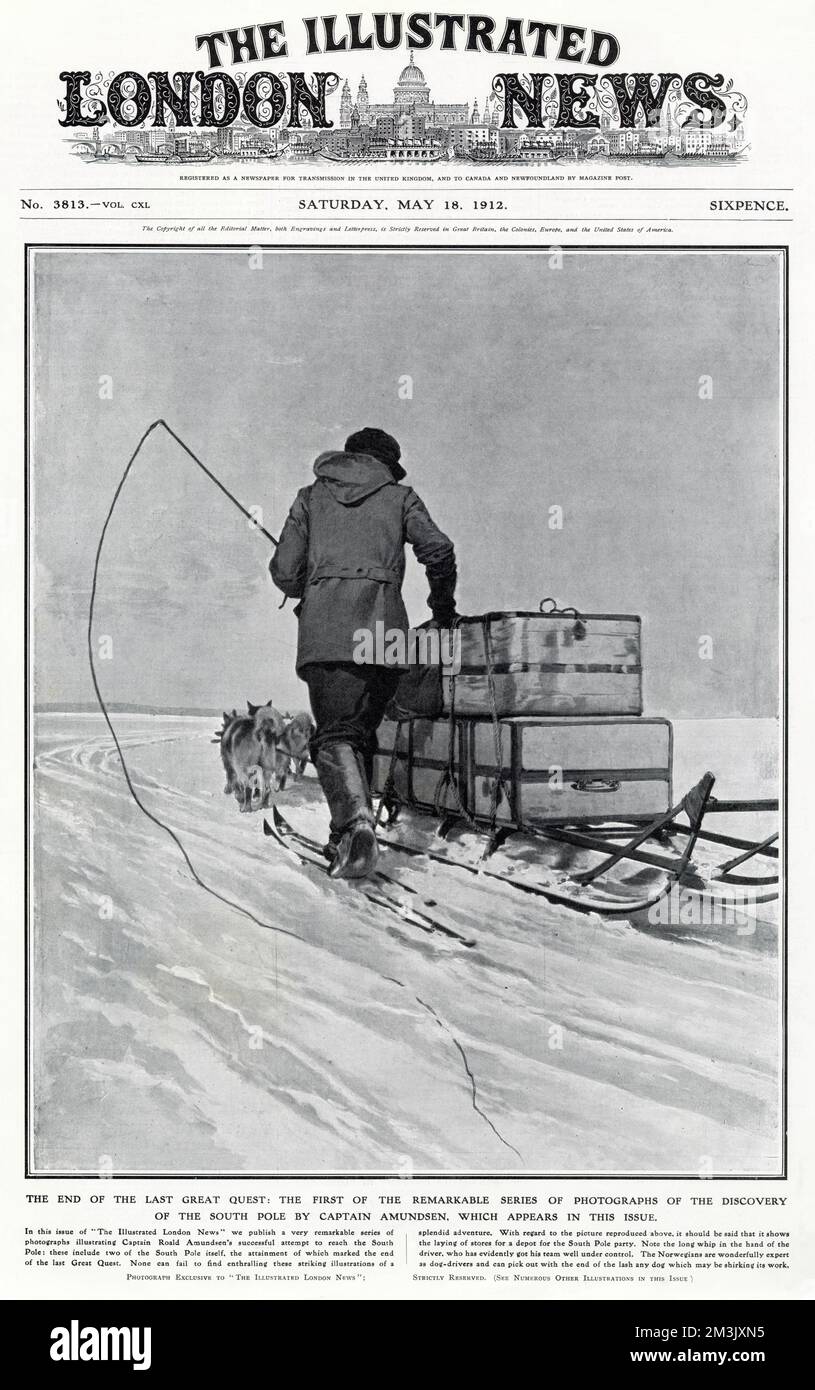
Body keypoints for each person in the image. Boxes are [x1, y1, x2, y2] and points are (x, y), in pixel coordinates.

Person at [270, 427, 457, 880]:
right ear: (386, 467)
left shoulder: (310, 498)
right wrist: (441, 606)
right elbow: (440, 550)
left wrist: (311, 584)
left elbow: (284, 571)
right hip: (384, 637)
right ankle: (351, 830)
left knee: (334, 736)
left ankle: (355, 826)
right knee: (362, 736)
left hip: (328, 636)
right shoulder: (400, 497)